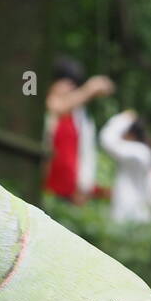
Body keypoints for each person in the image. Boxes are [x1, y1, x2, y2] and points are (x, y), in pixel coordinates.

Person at [44, 58, 114, 203]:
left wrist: (84, 187)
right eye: (65, 83)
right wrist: (90, 89)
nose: (69, 89)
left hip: (70, 195)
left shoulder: (80, 117)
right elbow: (56, 107)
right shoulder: (46, 107)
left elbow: (86, 154)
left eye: (73, 85)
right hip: (45, 190)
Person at [98, 109, 151, 224]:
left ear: (130, 134)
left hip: (131, 217)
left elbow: (107, 140)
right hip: (138, 216)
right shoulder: (143, 153)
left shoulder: (137, 152)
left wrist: (123, 119)